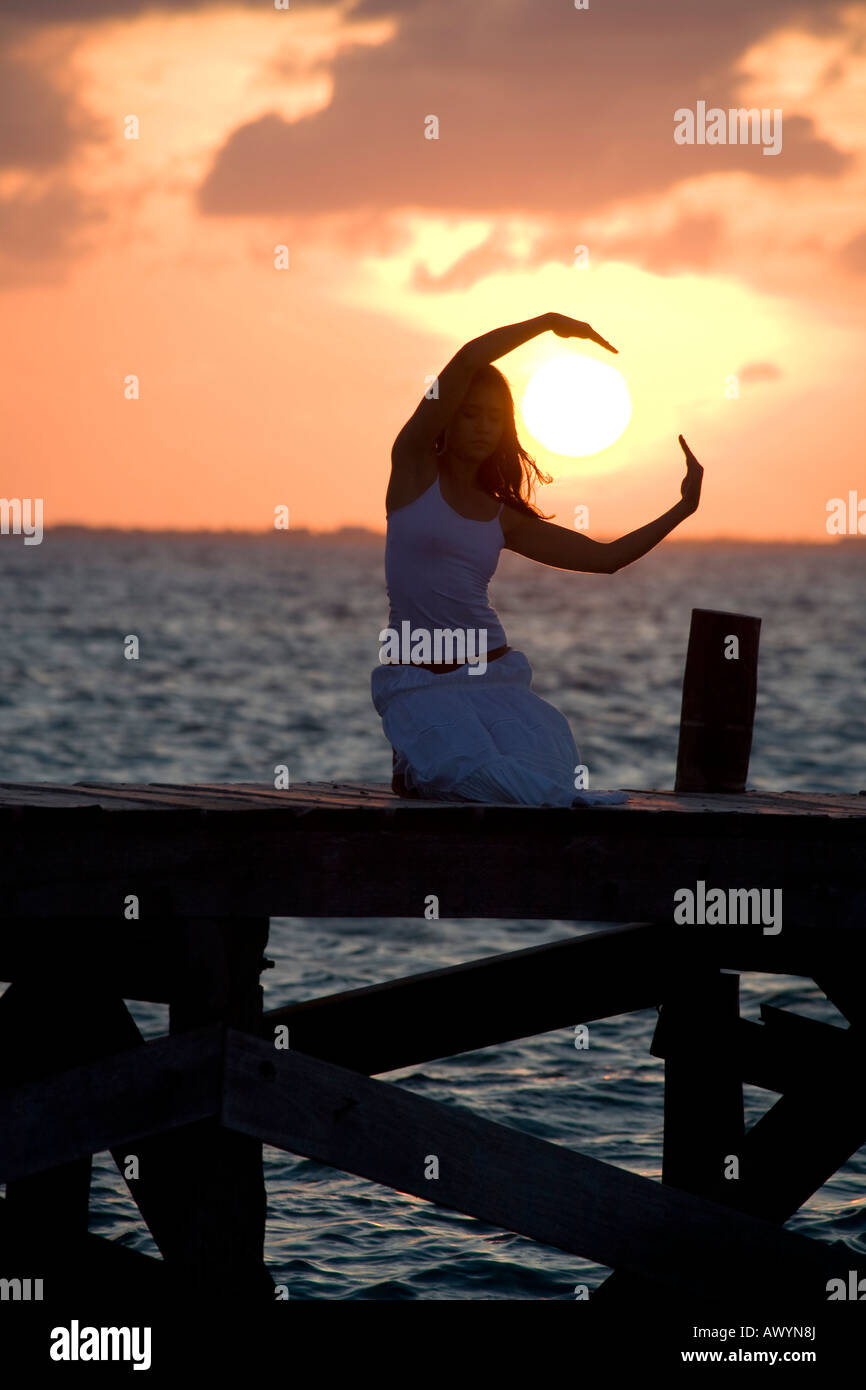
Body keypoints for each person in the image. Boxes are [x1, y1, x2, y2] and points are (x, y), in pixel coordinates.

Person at [371, 311, 704, 806]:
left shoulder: (500, 516)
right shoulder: (413, 467)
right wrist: (546, 324)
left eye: (494, 417)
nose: (483, 427)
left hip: (492, 675)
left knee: (548, 779)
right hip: (420, 678)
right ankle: (416, 762)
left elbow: (605, 558)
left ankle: (423, 765)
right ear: (449, 415)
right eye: (470, 413)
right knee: (476, 774)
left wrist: (682, 509)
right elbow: (467, 359)